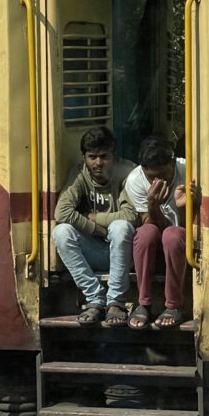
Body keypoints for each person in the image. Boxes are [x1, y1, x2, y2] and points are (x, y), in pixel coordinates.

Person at [52, 127, 137, 327]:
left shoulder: (128, 171)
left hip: (124, 252)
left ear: (113, 156)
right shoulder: (79, 173)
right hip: (94, 250)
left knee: (121, 227)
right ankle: (95, 298)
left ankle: (116, 301)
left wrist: (92, 217)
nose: (98, 163)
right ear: (84, 158)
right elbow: (61, 213)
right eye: (92, 157)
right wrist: (94, 228)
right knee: (61, 232)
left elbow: (131, 216)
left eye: (104, 157)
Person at [123, 134, 195, 329]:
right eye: (151, 177)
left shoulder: (188, 170)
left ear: (173, 163)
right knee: (145, 233)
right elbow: (151, 224)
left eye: (162, 175)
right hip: (157, 250)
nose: (157, 181)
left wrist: (184, 207)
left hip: (183, 247)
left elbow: (193, 226)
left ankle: (173, 305)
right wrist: (153, 205)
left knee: (173, 235)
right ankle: (144, 303)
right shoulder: (135, 180)